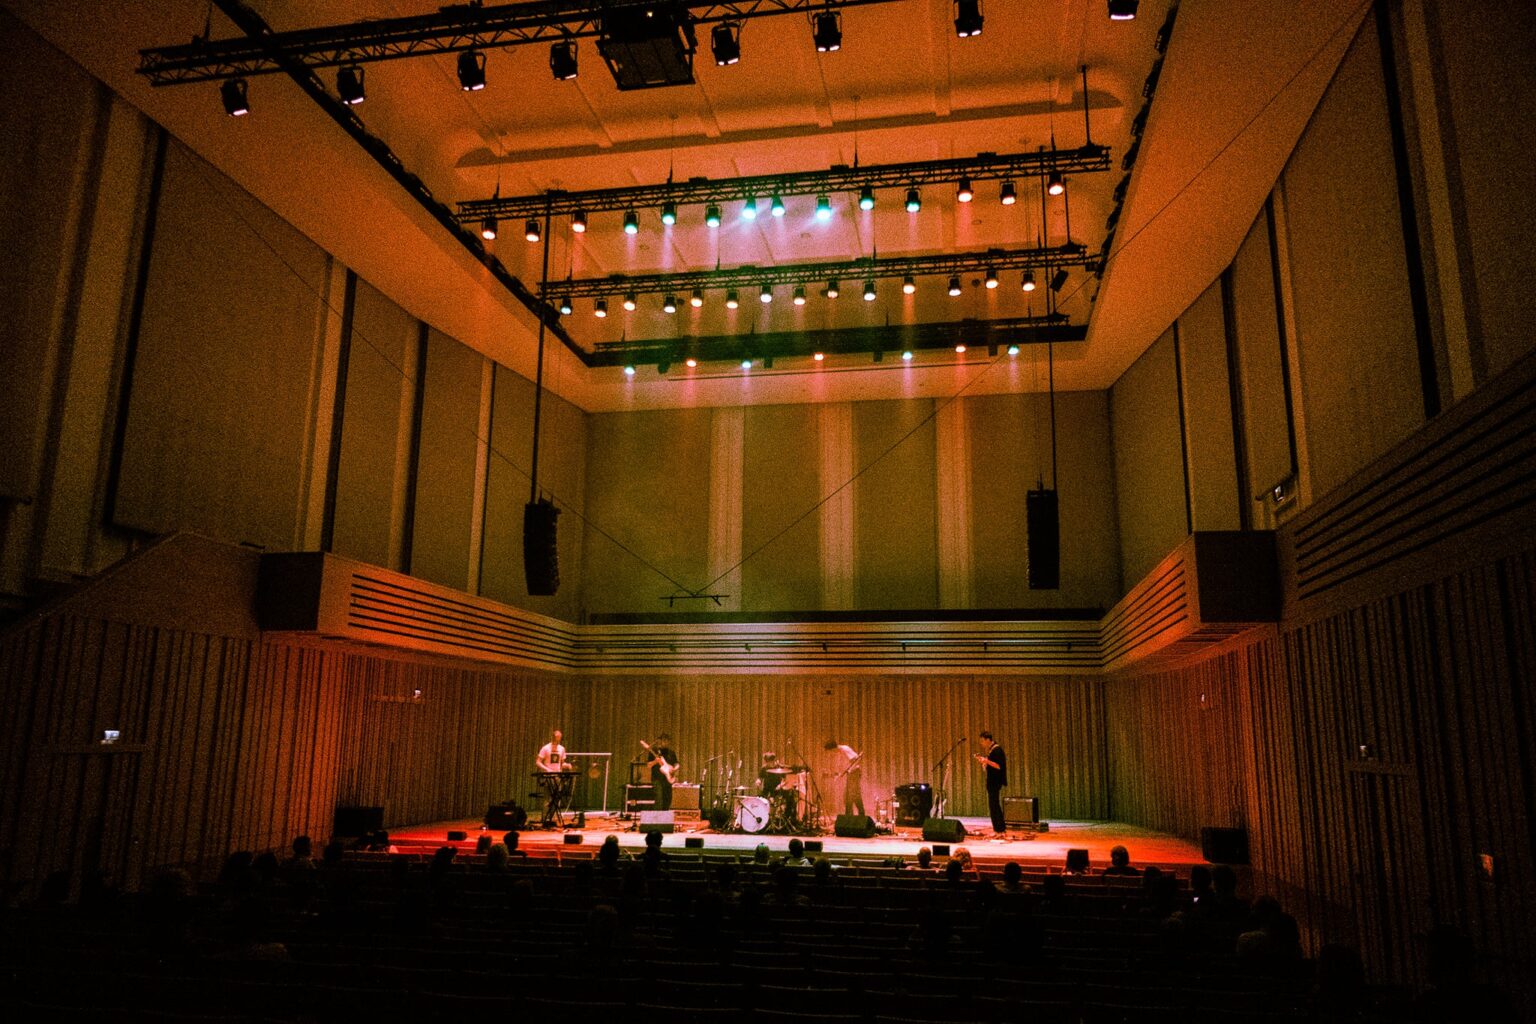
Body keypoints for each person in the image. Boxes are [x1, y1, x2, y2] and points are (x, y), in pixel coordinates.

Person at [974, 731, 1008, 836]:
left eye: (982, 741)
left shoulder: (997, 750)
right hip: (992, 780)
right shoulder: (991, 750)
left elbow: (998, 766)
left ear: (988, 739)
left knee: (994, 805)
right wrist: (983, 762)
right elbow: (990, 766)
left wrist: (986, 761)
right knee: (993, 805)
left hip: (995, 781)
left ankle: (1000, 829)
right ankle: (998, 828)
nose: (981, 743)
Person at [825, 739, 865, 816]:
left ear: (833, 748)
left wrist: (850, 769)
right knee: (849, 796)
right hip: (851, 774)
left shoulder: (844, 749)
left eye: (830, 751)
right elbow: (844, 766)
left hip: (854, 773)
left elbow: (857, 758)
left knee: (853, 795)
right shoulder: (840, 752)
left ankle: (859, 815)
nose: (831, 754)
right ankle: (850, 816)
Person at [644, 733, 679, 811]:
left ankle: (665, 818)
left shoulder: (671, 752)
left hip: (668, 779)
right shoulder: (654, 751)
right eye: (665, 741)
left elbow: (677, 764)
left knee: (668, 799)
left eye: (668, 741)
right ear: (661, 741)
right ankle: (657, 819)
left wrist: (674, 769)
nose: (666, 743)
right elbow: (648, 765)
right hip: (657, 779)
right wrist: (655, 762)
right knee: (659, 799)